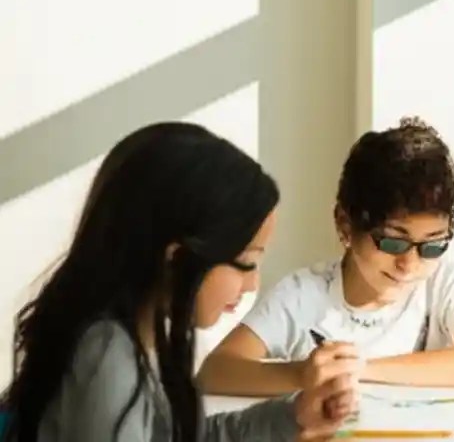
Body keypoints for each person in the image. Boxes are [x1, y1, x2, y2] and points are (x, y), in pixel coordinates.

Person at [1, 122, 356, 442]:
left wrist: (293, 416)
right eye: (246, 264)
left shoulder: (133, 342)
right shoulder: (108, 359)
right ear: (177, 258)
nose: (250, 285)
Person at [197, 117, 454, 395]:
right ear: (346, 225)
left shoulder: (443, 281)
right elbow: (216, 371)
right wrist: (302, 374)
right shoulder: (304, 296)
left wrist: (361, 370)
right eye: (393, 242)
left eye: (433, 245)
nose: (409, 264)